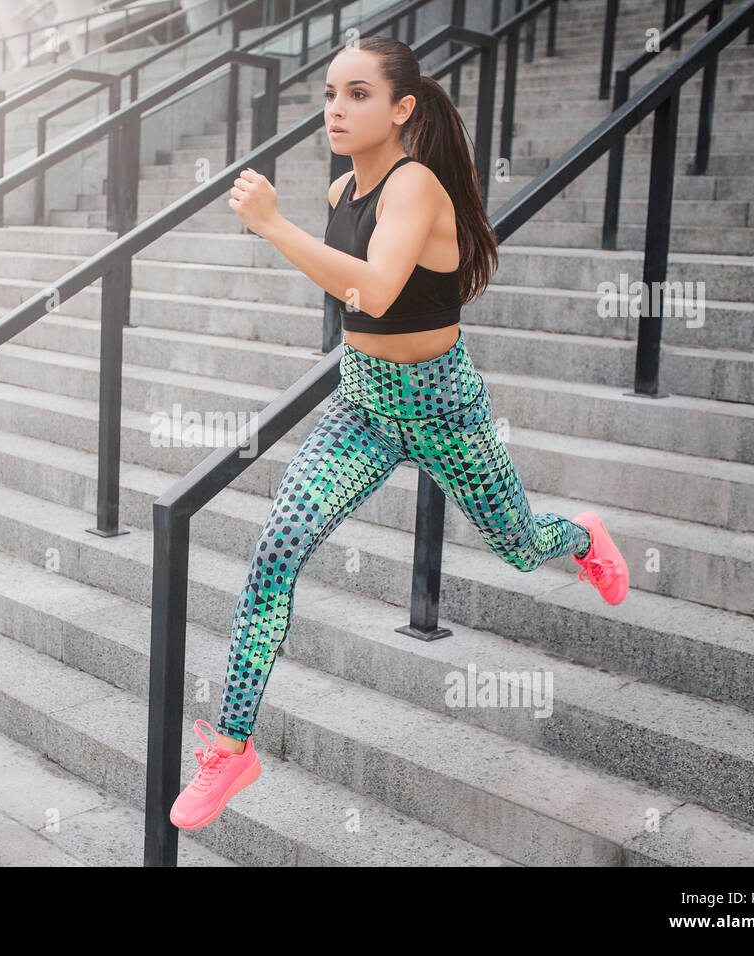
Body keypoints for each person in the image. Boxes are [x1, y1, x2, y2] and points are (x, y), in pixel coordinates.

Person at [169, 36, 628, 831]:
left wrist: (272, 225)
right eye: (329, 96)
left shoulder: (416, 185)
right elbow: (351, 305)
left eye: (357, 95)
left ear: (402, 108)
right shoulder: (345, 185)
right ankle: (233, 748)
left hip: (444, 406)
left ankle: (582, 538)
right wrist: (291, 234)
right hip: (363, 405)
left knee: (520, 545)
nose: (337, 110)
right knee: (274, 552)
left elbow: (377, 292)